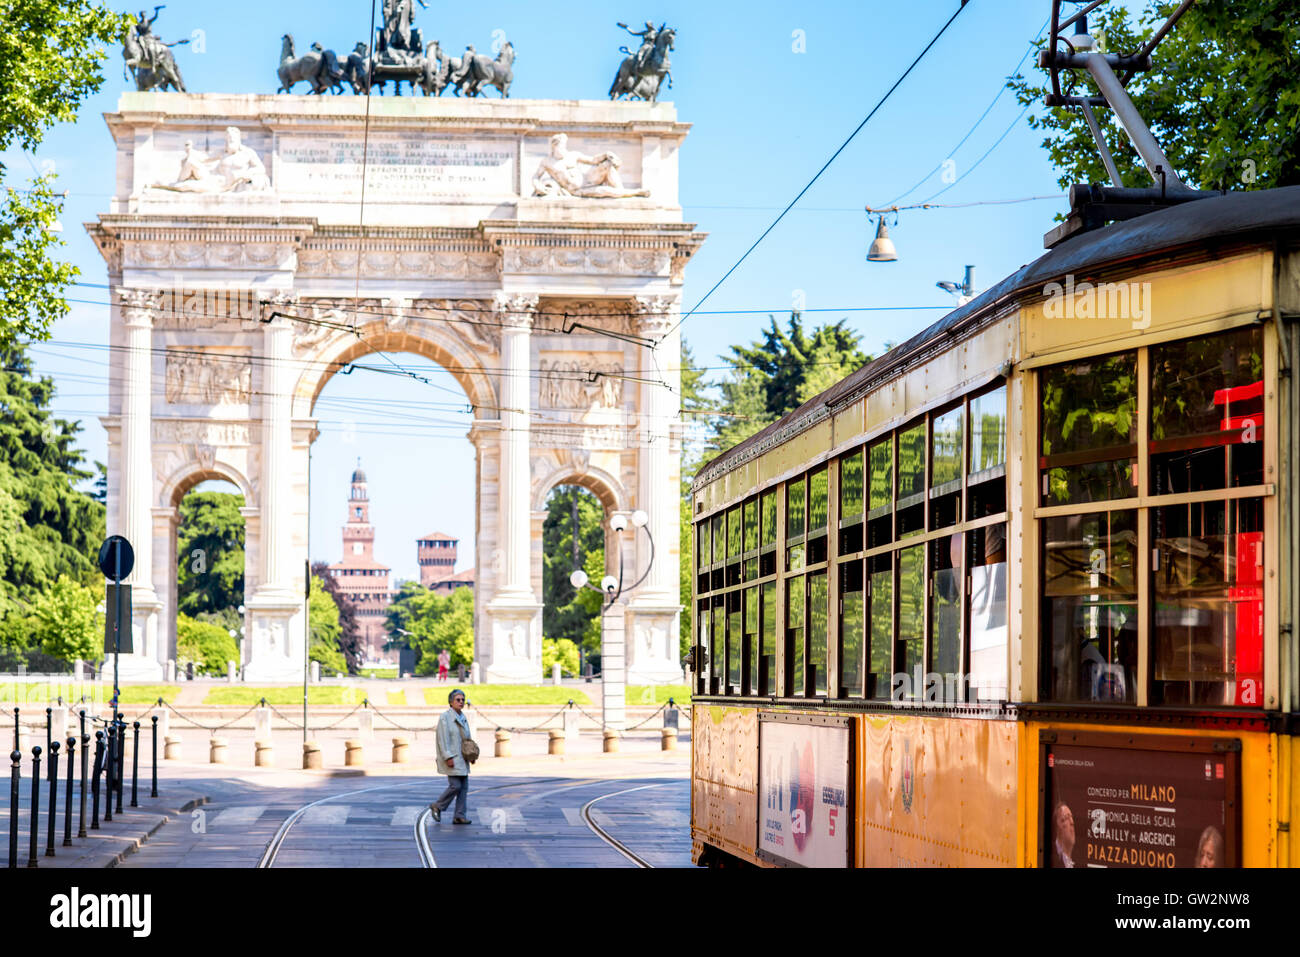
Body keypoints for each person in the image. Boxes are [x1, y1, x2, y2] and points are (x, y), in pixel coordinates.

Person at [431, 688, 472, 824]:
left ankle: (459, 815)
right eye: (458, 700)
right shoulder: (445, 717)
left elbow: (467, 738)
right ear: (451, 702)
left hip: (463, 758)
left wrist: (471, 754)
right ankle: (438, 806)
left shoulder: (463, 717)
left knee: (463, 787)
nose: (461, 702)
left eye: (463, 700)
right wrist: (447, 757)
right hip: (453, 758)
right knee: (455, 786)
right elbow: (442, 739)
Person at [1052, 802, 1077, 867]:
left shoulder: (1077, 861)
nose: (1072, 822)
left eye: (1071, 817)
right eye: (1067, 818)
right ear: (1057, 825)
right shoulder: (1052, 857)